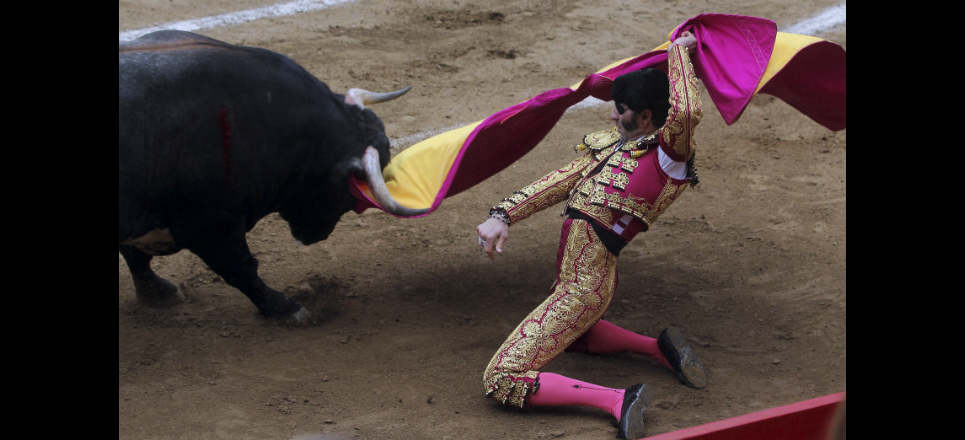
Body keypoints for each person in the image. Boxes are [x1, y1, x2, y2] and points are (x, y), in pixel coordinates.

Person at [475, 30, 706, 439]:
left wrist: (678, 57)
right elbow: (558, 181)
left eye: (619, 110)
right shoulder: (616, 147)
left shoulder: (669, 157)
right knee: (576, 337)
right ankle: (660, 349)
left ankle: (618, 399)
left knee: (503, 375)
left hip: (587, 285)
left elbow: (686, 114)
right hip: (573, 281)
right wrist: (503, 214)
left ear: (646, 116)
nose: (612, 117)